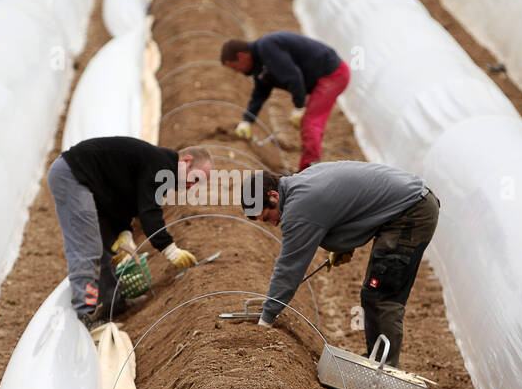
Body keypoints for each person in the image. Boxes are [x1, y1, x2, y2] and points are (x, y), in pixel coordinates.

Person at [241, 162, 439, 366]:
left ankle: (384, 371)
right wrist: (344, 244)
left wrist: (266, 319)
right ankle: (376, 361)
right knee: (374, 292)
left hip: (412, 212)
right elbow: (346, 203)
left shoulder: (298, 207)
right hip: (408, 203)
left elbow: (288, 268)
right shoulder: (299, 184)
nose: (273, 224)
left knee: (381, 293)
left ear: (274, 196)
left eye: (267, 217)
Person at [49, 136, 212, 325]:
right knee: (88, 248)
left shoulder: (160, 166)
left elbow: (125, 200)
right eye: (196, 178)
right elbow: (149, 212)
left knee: (105, 246)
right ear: (186, 161)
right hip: (73, 175)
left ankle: (112, 304)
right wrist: (170, 249)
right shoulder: (160, 165)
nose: (193, 186)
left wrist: (124, 230)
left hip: (92, 184)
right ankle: (86, 315)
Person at [221, 32, 350, 171]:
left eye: (235, 66)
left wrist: (299, 107)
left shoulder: (267, 48)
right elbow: (260, 93)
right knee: (309, 121)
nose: (237, 71)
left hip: (333, 74)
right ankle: (309, 169)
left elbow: (294, 77)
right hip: (322, 77)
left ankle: (309, 170)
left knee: (311, 122)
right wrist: (247, 121)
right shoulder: (260, 64)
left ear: (242, 56)